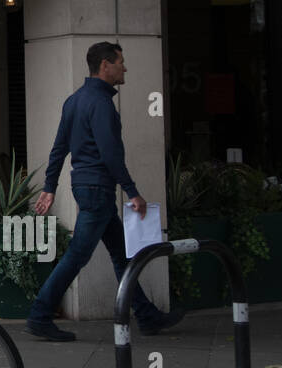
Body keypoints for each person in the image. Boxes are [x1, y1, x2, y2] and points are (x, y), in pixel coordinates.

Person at [25, 42, 183, 341]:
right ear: (105, 65)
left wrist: (50, 187)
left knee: (121, 255)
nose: (125, 67)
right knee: (77, 255)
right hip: (97, 189)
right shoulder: (100, 103)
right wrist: (132, 191)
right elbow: (110, 154)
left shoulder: (74, 101)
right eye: (121, 61)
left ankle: (146, 315)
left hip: (88, 188)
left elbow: (59, 148)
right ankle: (40, 315)